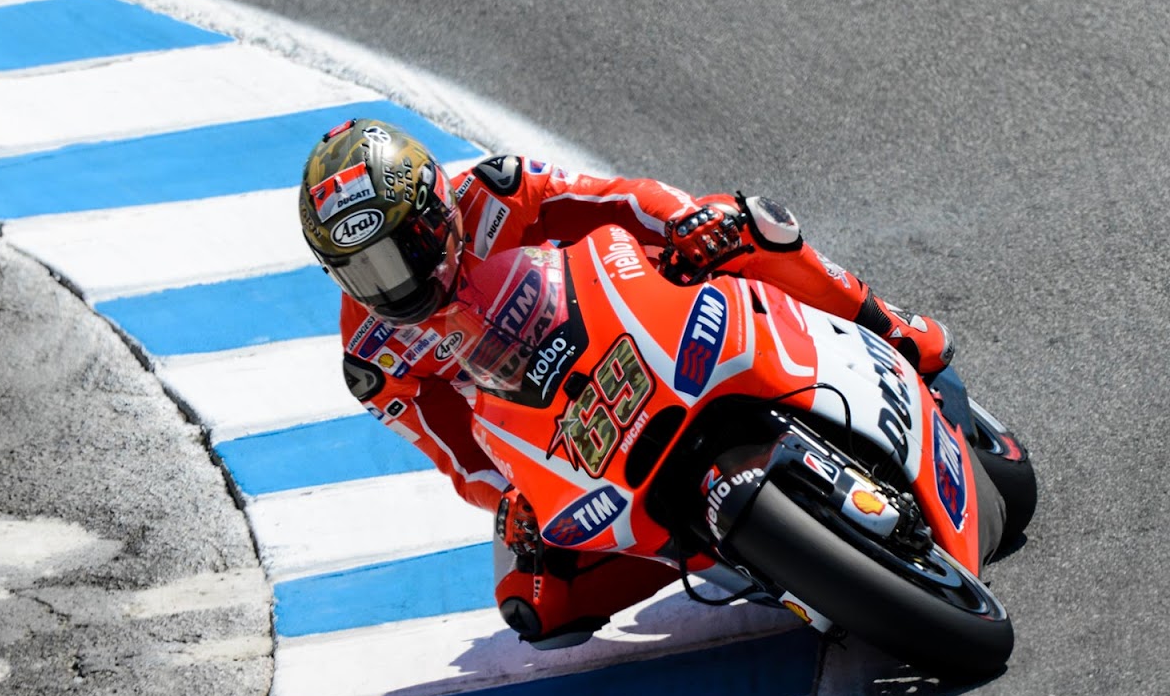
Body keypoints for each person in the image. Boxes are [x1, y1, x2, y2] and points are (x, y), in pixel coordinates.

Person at [298, 118, 955, 649]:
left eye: (401, 251)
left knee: (747, 222)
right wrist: (510, 498)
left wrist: (684, 223)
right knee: (533, 606)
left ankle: (893, 328)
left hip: (642, 321)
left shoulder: (495, 192)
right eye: (364, 273)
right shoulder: (373, 360)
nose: (393, 284)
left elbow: (621, 199)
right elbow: (462, 464)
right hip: (565, 435)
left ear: (435, 210)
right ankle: (732, 557)